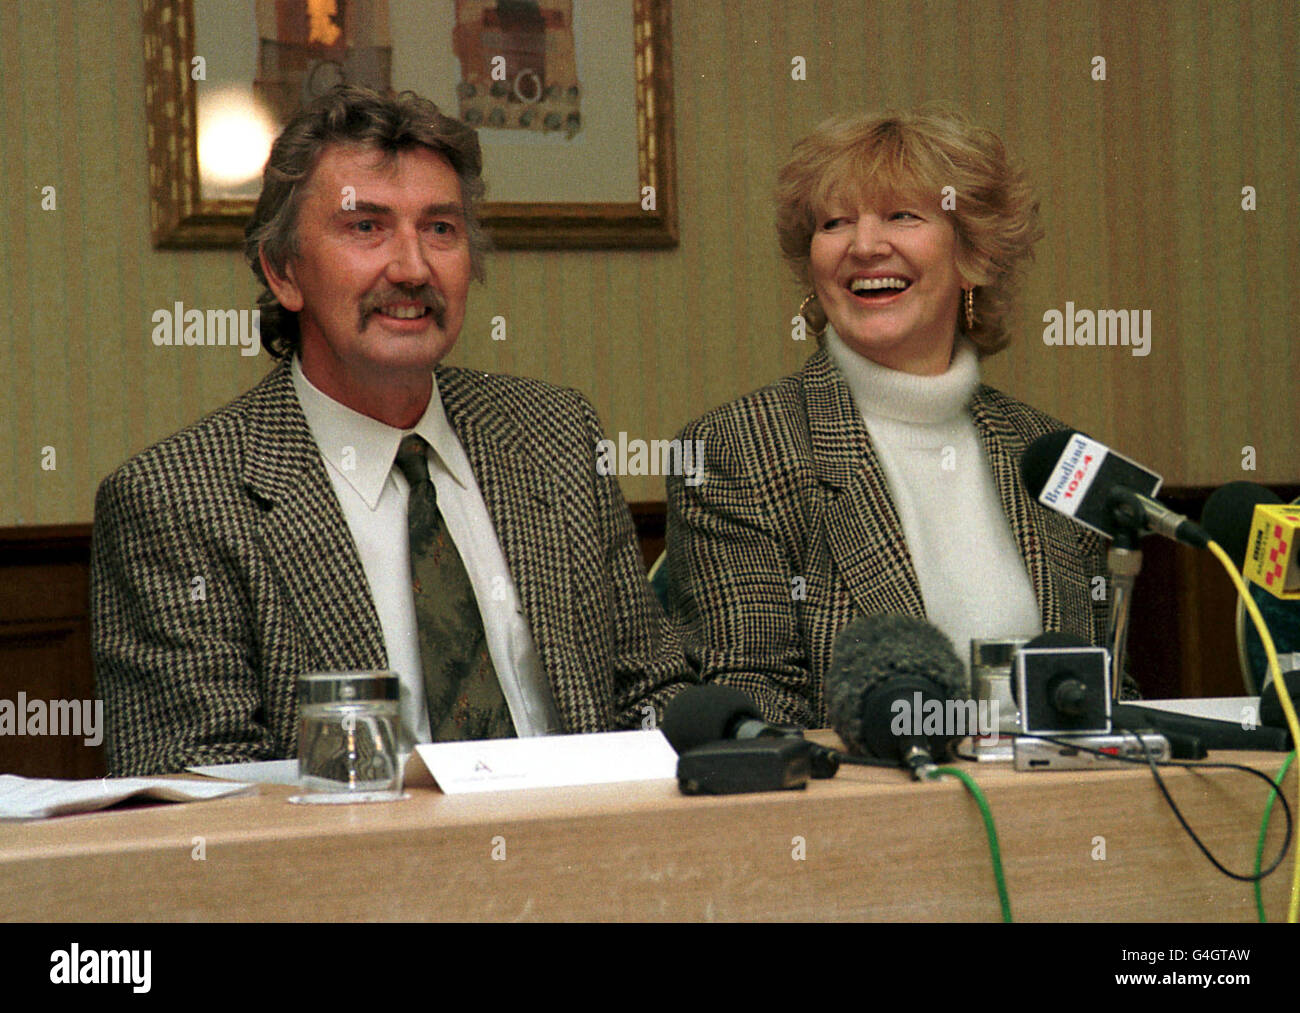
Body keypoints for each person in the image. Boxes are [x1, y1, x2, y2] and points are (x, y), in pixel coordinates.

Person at [92, 86, 693, 776]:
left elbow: (653, 691)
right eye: (366, 227)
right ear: (283, 271)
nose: (412, 268)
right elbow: (193, 788)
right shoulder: (177, 500)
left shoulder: (553, 436)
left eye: (440, 229)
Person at [666, 106, 1111, 728]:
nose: (865, 246)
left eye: (902, 216)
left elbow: (1105, 685)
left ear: (974, 255)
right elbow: (754, 700)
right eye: (835, 223)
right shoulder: (739, 449)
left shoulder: (1053, 453)